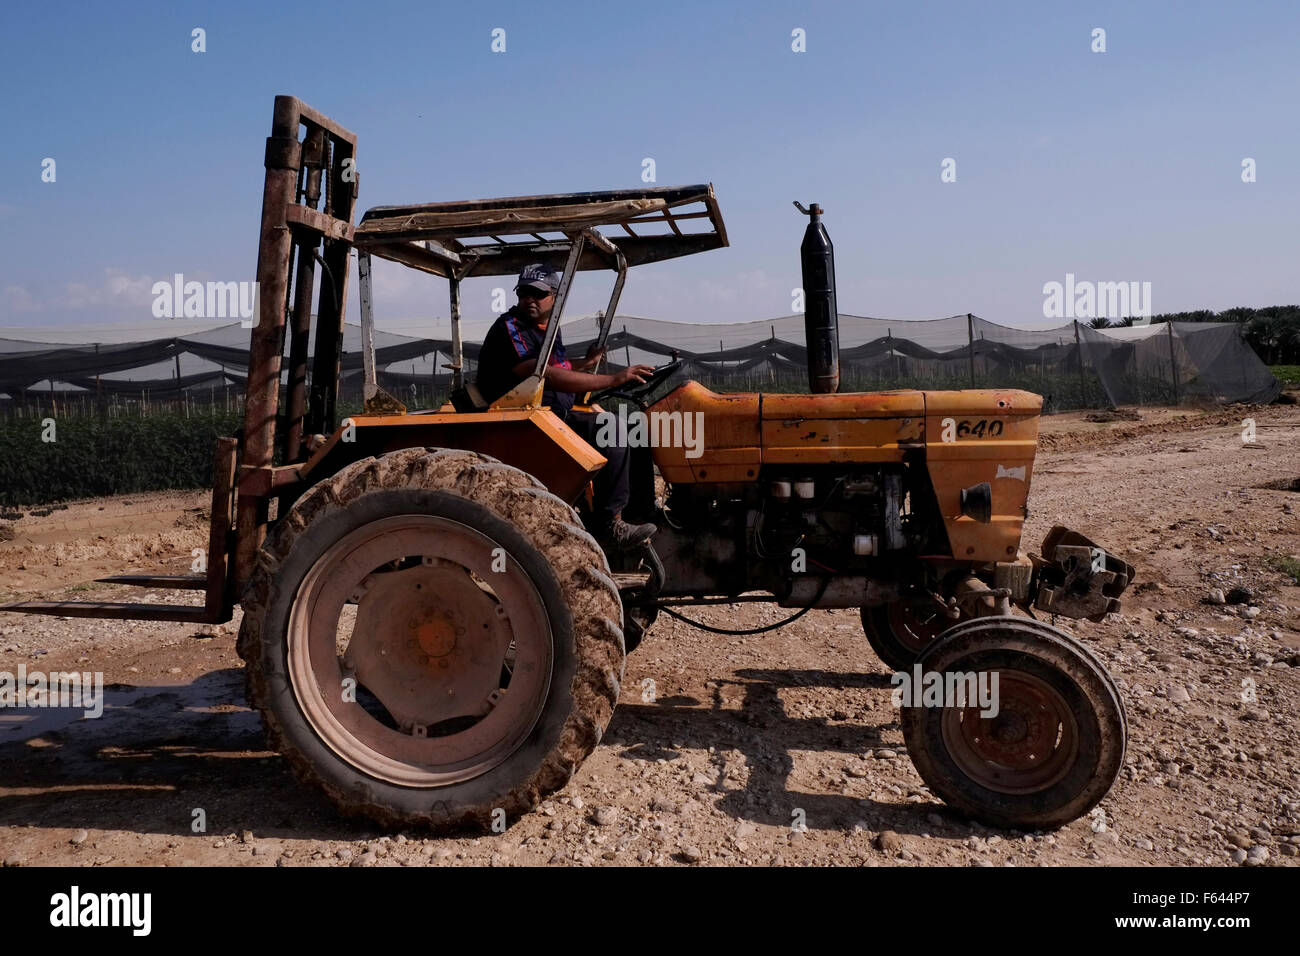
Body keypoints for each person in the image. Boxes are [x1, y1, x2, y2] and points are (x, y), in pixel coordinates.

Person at [476, 263, 659, 551]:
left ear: (555, 297)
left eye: (537, 293)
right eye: (524, 292)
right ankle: (609, 525)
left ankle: (644, 511)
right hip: (525, 422)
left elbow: (556, 367)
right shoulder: (511, 326)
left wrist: (584, 365)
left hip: (553, 415)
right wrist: (612, 378)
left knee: (636, 429)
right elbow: (538, 371)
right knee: (613, 432)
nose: (529, 299)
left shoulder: (549, 328)